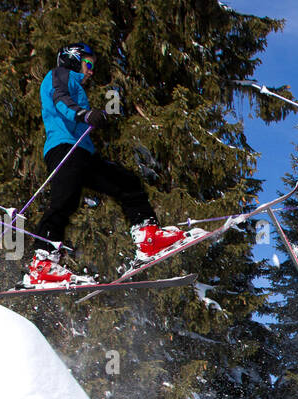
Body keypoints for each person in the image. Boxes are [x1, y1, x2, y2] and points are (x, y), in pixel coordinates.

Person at [24, 43, 185, 288]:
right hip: (64, 147)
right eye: (88, 64)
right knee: (64, 200)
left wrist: (100, 115)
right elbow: (60, 100)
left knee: (126, 181)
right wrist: (84, 114)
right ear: (73, 59)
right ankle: (42, 263)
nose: (90, 71)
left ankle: (147, 236)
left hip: (84, 151)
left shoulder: (77, 85)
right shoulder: (59, 75)